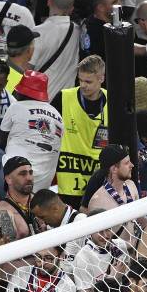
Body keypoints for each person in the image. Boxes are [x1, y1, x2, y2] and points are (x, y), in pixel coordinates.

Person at [52, 56, 106, 207]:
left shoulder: (112, 100)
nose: (83, 85)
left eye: (88, 81)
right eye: (80, 80)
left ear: (101, 78)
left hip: (99, 180)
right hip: (69, 178)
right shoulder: (64, 97)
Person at [0, 70, 63, 195]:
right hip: (41, 187)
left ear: (23, 92)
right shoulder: (58, 116)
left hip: (14, 178)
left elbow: (1, 142)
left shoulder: (16, 107)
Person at [31, 0, 79, 99]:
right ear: (71, 9)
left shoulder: (36, 33)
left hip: (40, 100)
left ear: (49, 2)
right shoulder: (78, 32)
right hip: (67, 102)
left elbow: (27, 69)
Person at [0, 157, 39, 242]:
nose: (29, 178)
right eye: (23, 174)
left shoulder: (42, 200)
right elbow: (11, 251)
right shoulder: (1, 212)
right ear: (9, 179)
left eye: (30, 173)